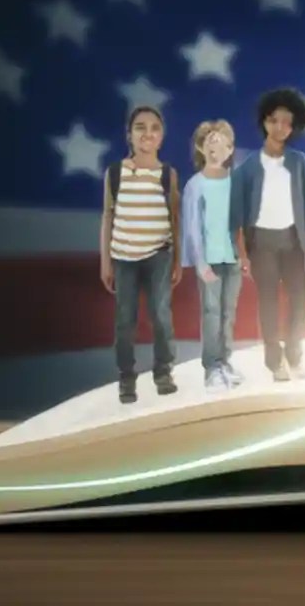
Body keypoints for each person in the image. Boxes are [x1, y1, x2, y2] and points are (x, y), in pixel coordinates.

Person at [230, 88, 305, 382]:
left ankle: (295, 355)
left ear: (294, 127)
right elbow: (238, 217)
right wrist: (242, 253)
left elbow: (304, 206)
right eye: (275, 120)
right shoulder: (247, 167)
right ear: (265, 122)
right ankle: (273, 360)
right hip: (262, 243)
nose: (281, 127)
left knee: (298, 300)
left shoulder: (299, 162)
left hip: (293, 240)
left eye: (287, 122)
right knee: (268, 301)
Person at [99, 105, 181, 404]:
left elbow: (175, 217)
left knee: (160, 315)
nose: (148, 133)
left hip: (158, 255)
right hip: (124, 258)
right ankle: (126, 377)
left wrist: (177, 258)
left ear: (162, 136)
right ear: (129, 135)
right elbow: (107, 217)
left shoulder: (167, 175)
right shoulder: (115, 173)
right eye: (140, 127)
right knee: (125, 320)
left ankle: (163, 371)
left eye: (154, 128)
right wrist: (105, 261)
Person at [181, 119, 246, 393]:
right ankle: (211, 367)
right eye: (209, 143)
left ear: (230, 150)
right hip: (209, 260)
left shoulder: (236, 183)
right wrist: (200, 262)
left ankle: (225, 360)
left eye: (221, 144)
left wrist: (244, 255)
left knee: (228, 313)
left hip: (232, 259)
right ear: (200, 147)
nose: (215, 148)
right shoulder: (195, 185)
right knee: (211, 312)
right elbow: (192, 226)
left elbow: (242, 222)